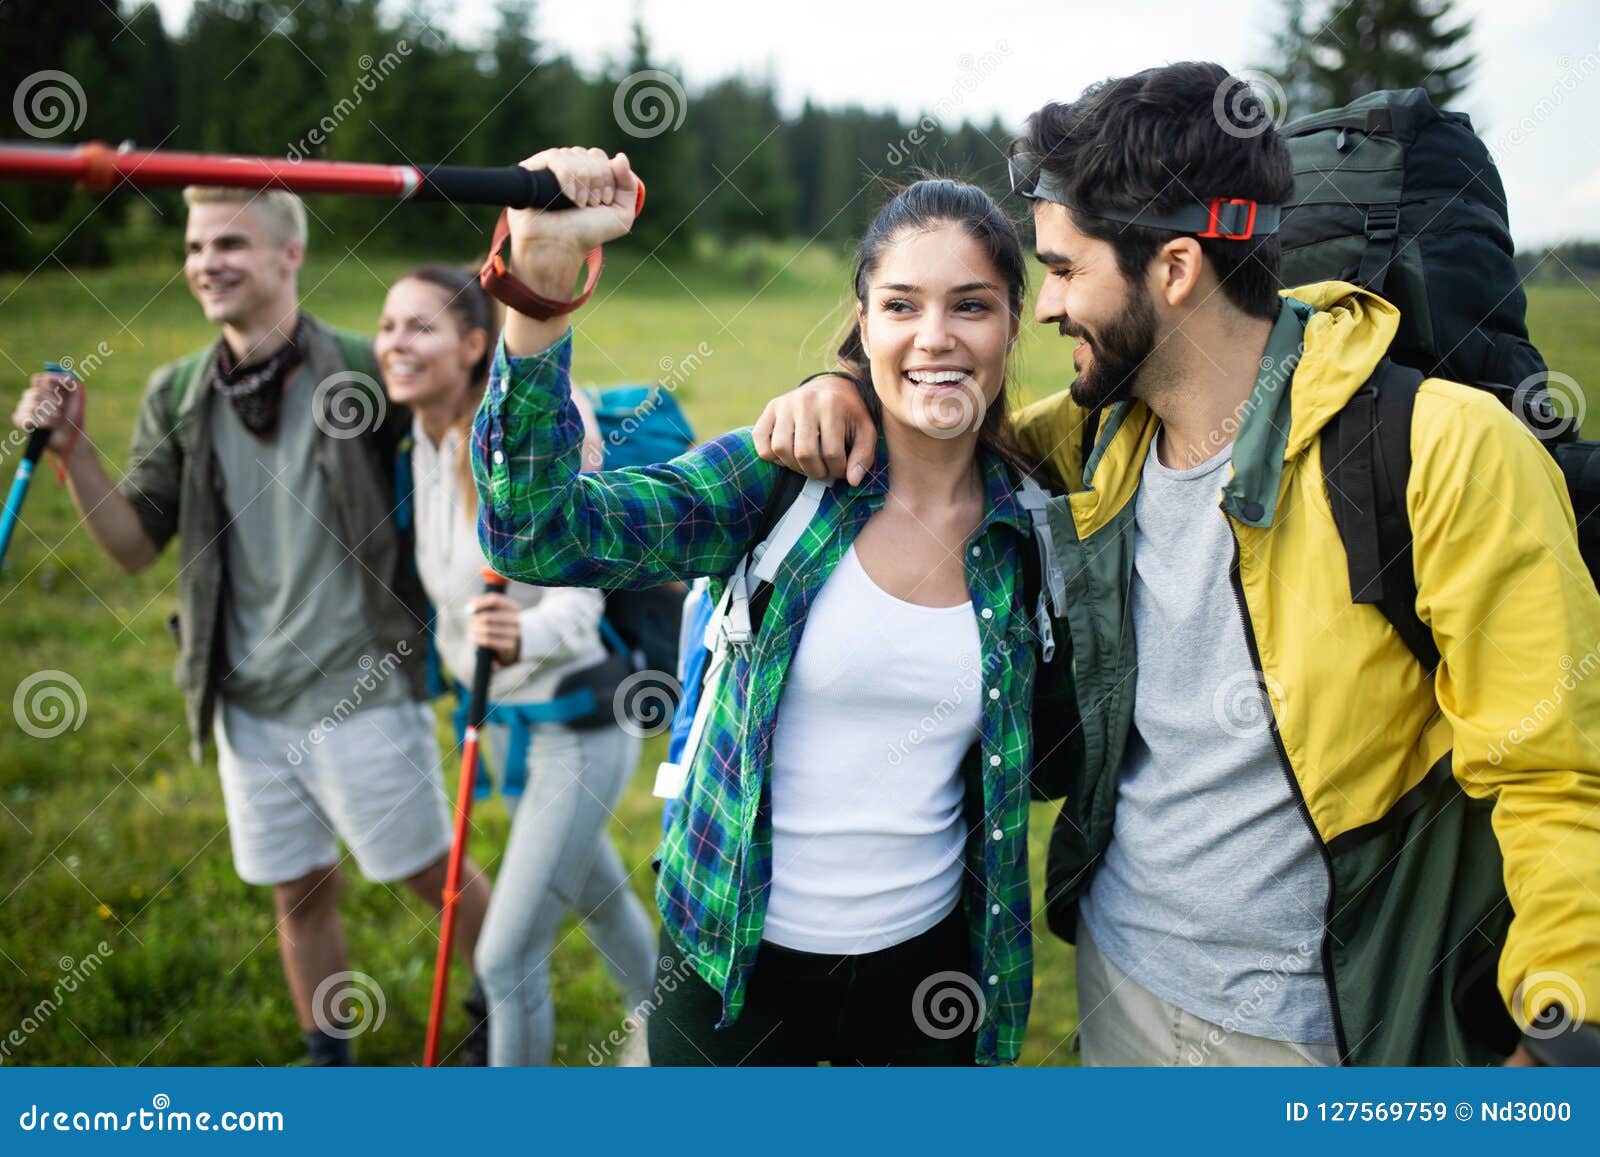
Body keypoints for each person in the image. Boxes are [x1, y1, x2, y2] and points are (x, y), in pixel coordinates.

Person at [753, 62, 1600, 1066]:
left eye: (1065, 270)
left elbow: (1555, 774)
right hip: (1122, 985)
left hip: (1314, 1033)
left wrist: (1564, 1042)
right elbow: (940, 431)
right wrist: (843, 381)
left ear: (1174, 269)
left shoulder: (1441, 452)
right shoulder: (1095, 436)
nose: (1049, 307)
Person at [472, 147, 1070, 1065]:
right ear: (862, 323)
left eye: (972, 305)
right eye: (903, 305)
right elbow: (537, 531)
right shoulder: (777, 481)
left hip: (931, 975)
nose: (936, 336)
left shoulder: (1034, 525)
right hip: (729, 959)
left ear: (1012, 322)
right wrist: (540, 293)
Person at [10, 187, 490, 1067]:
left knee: (435, 873)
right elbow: (128, 546)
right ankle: (326, 1056)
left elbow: (454, 438)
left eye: (230, 242)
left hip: (362, 684)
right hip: (248, 701)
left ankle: (501, 999)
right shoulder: (179, 392)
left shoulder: (360, 368)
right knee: (297, 889)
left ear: (288, 256)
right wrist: (76, 454)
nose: (206, 262)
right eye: (195, 247)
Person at [374, 263, 655, 1066]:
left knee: (503, 957)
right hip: (503, 724)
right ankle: (665, 1030)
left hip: (578, 723)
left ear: (473, 345)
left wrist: (521, 636)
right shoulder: (423, 445)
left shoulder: (518, 450)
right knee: (598, 898)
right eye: (389, 325)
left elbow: (584, 598)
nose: (396, 342)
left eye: (419, 327)